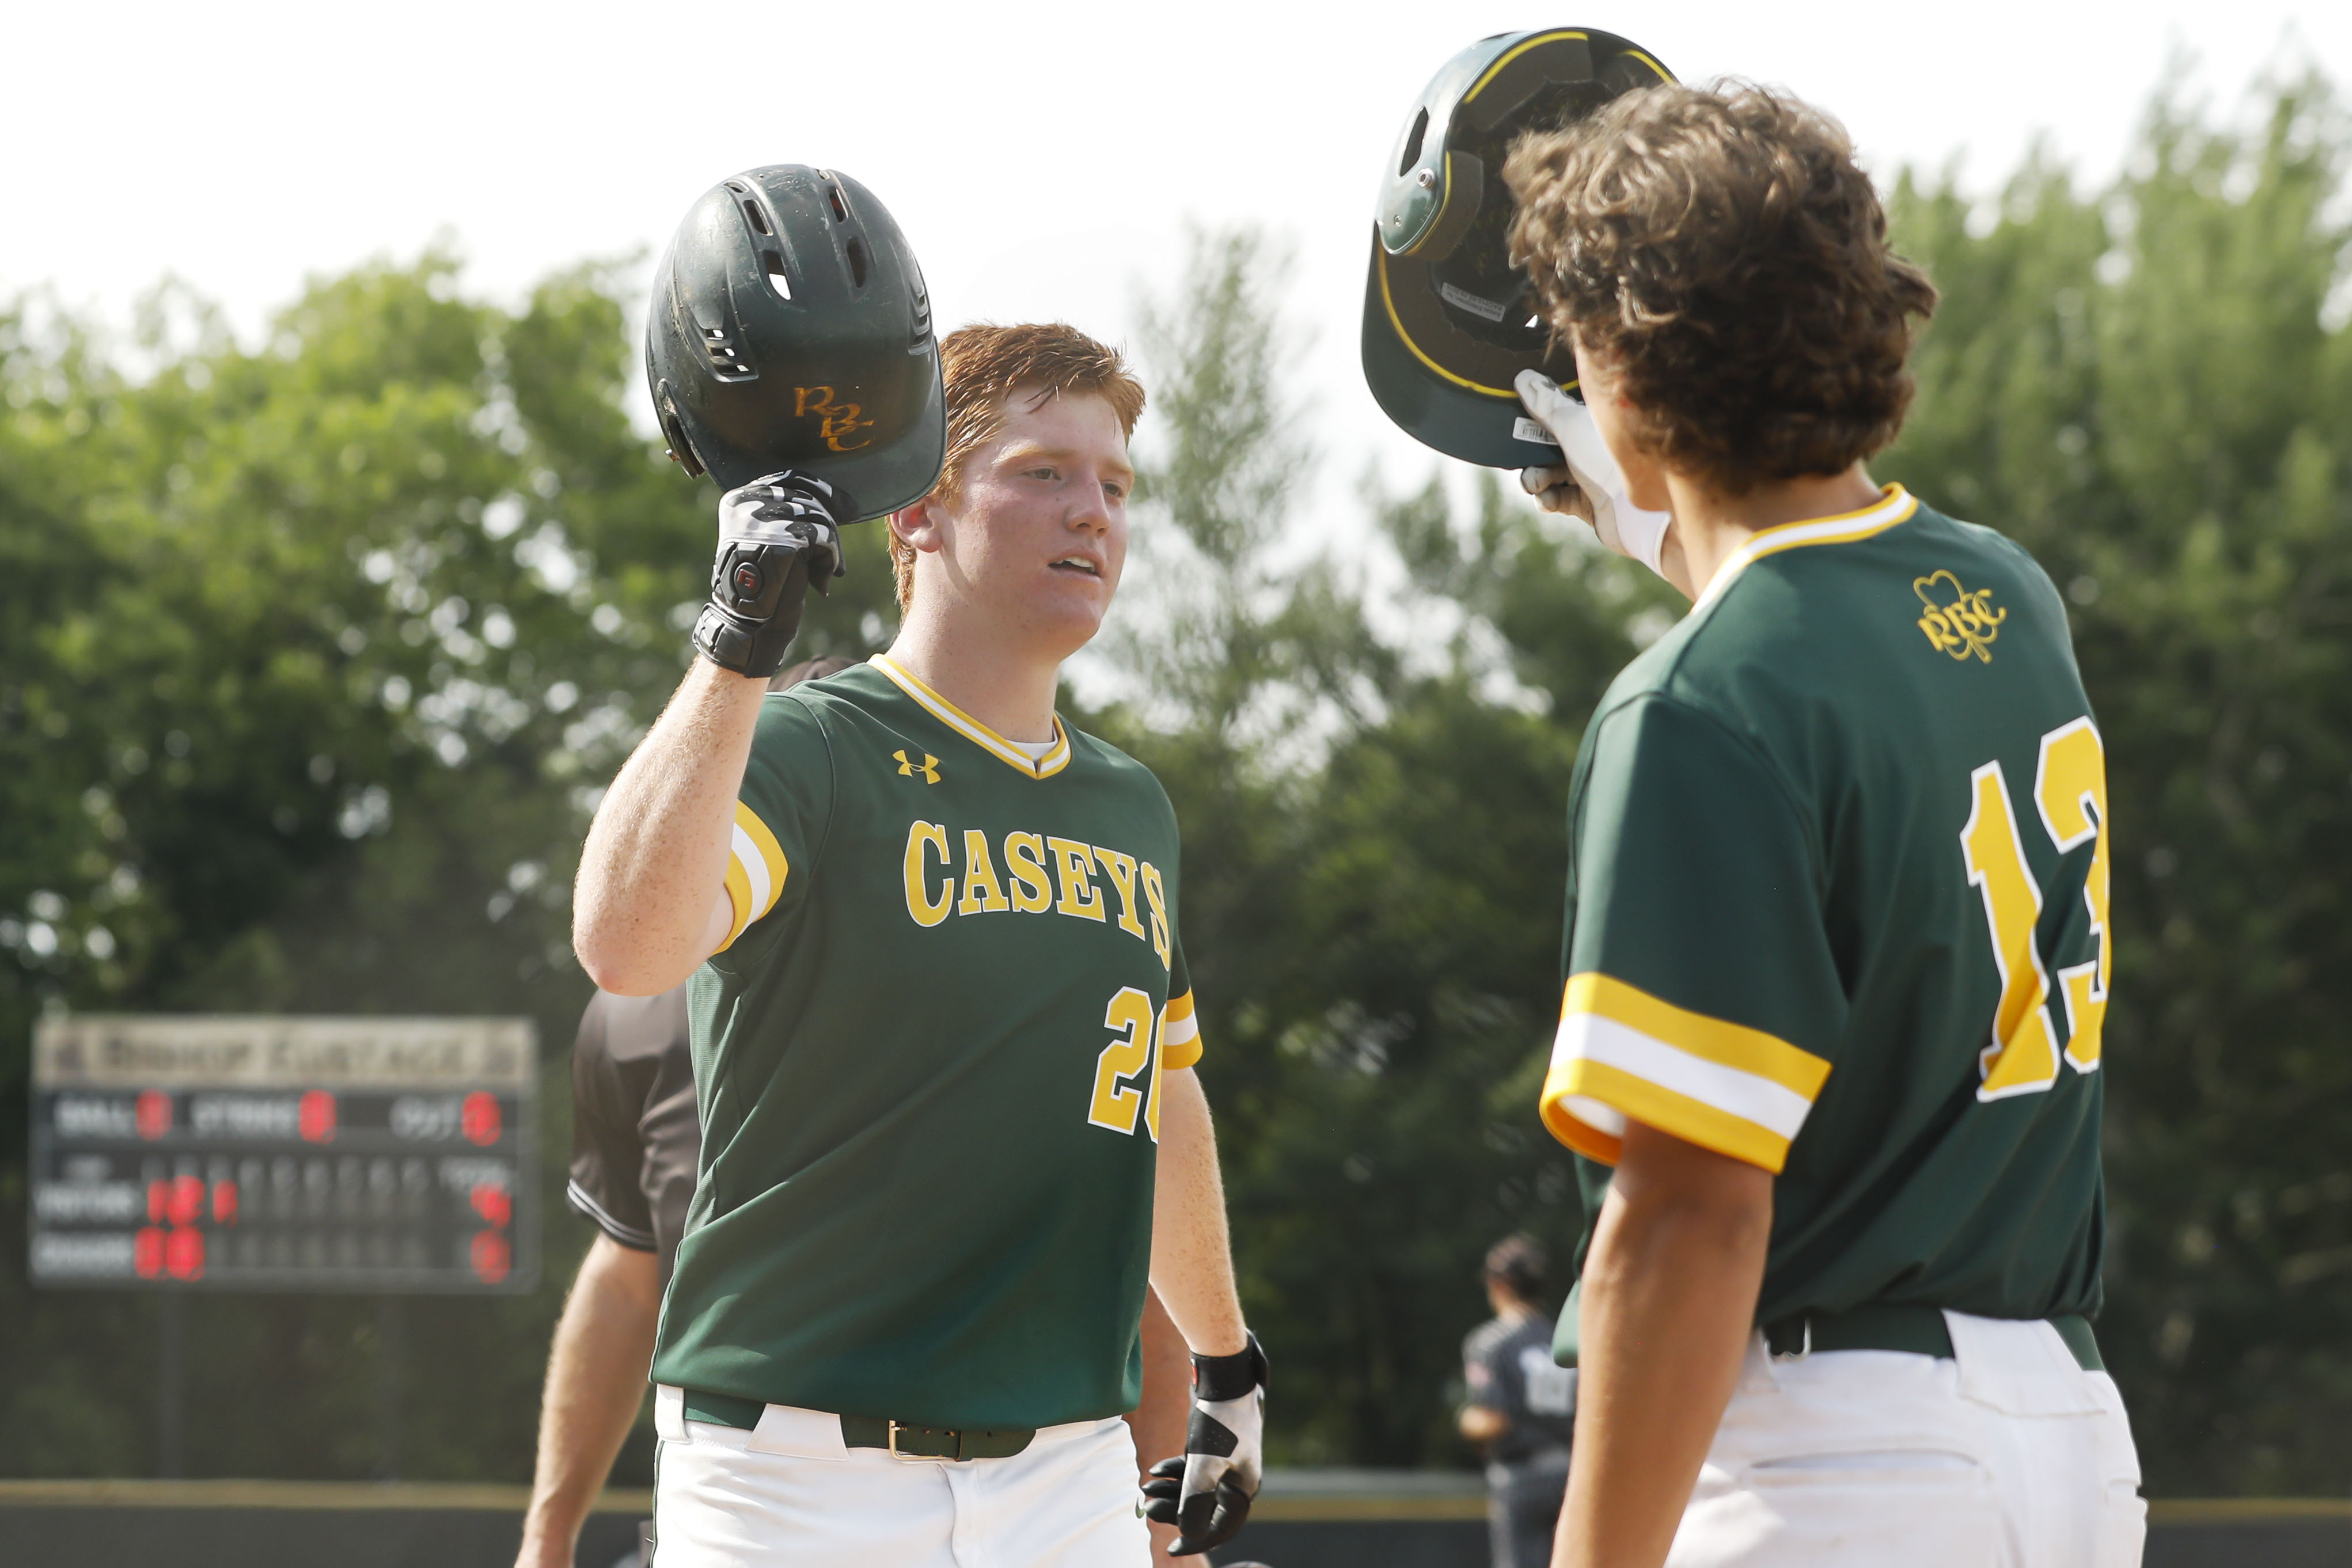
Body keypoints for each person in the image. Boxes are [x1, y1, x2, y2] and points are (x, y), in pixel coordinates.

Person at [1501, 83, 2146, 1568]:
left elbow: (1688, 1219)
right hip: (2069, 1433)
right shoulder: (2005, 595)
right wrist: (1671, 528)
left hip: (1836, 1455)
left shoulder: (1688, 712)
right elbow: (1835, 658)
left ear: (1622, 358)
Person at [571, 322, 1266, 1568]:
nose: (1093, 512)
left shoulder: (1132, 807)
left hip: (1068, 1470)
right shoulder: (811, 746)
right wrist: (737, 636)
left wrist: (1224, 1354)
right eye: (1041, 470)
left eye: (1113, 484)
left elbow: (1154, 1089)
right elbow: (625, 944)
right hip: (792, 1470)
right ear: (914, 515)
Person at [1459, 1236, 1576, 1568]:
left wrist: (1467, 1421)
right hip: (1574, 1472)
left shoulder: (1490, 1342)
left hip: (1522, 1475)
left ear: (1501, 1284)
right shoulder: (1565, 1339)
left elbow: (1493, 1420)